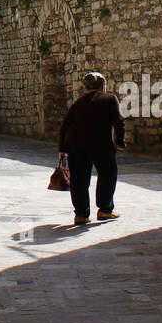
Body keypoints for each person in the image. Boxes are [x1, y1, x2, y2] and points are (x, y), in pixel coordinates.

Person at [58, 71, 125, 227]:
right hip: (101, 145)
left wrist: (62, 148)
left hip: (76, 146)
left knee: (79, 181)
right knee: (107, 176)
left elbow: (65, 126)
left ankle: (81, 214)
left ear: (85, 87)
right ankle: (105, 209)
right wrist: (120, 141)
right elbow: (119, 121)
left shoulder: (78, 103)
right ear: (103, 85)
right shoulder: (110, 99)